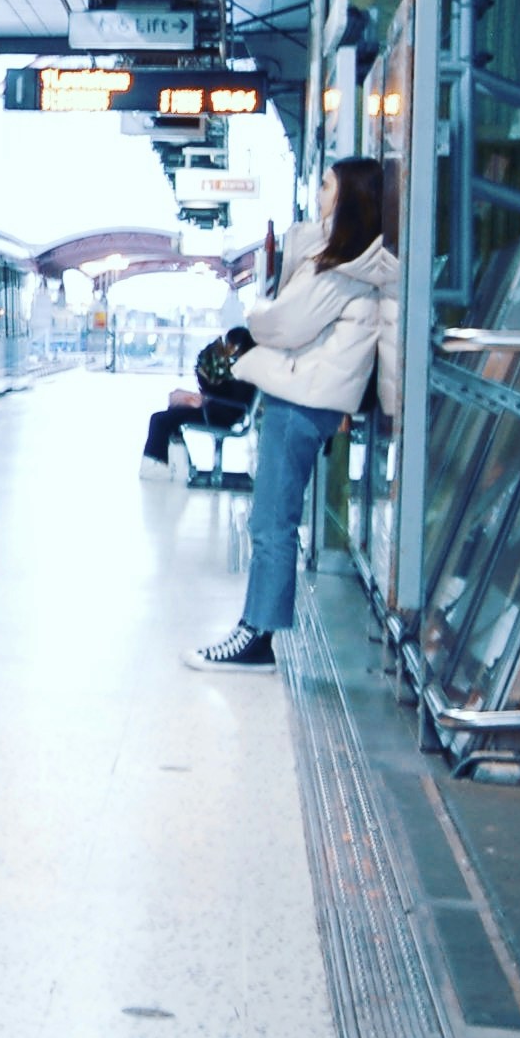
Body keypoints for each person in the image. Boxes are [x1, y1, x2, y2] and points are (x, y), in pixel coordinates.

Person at [186, 158, 399, 670]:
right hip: (315, 398)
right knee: (274, 520)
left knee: (271, 522)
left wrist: (252, 317)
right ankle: (256, 628)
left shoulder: (341, 269)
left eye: (327, 185)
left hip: (302, 397)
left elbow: (282, 323)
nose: (320, 192)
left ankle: (256, 636)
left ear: (347, 198)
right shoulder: (360, 264)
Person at [139, 283, 249, 479]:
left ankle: (158, 464)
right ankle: (167, 463)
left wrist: (203, 392)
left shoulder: (244, 370)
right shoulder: (246, 368)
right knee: (169, 414)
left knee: (160, 419)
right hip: (220, 410)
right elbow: (229, 393)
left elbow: (229, 396)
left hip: (219, 414)